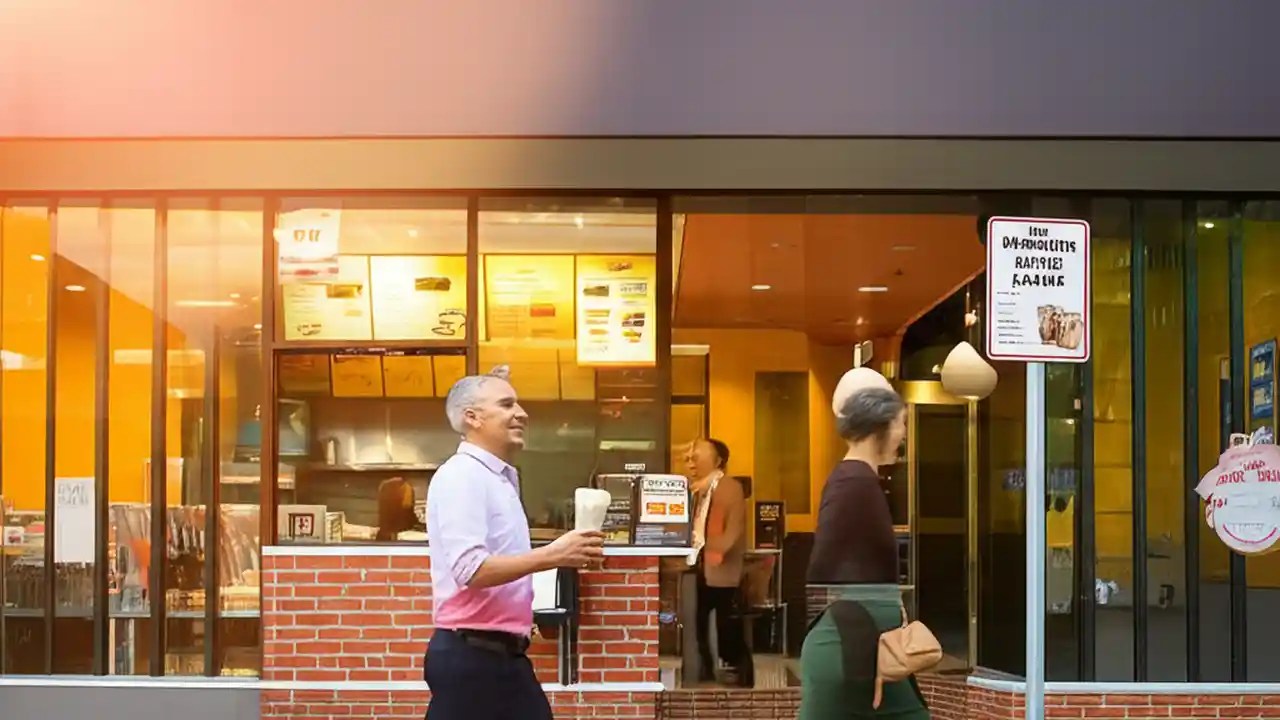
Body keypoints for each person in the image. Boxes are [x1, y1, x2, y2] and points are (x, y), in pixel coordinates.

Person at [425, 366, 605, 720]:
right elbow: (470, 569)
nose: (521, 413)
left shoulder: (500, 478)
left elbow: (499, 564)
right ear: (472, 417)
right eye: (506, 404)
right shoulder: (462, 476)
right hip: (474, 659)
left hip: (497, 655)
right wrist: (555, 554)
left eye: (517, 404)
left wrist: (520, 618)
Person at [801, 380, 929, 719]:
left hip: (867, 645)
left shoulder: (857, 480)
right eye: (901, 423)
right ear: (881, 425)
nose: (903, 433)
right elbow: (822, 566)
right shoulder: (854, 483)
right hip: (850, 647)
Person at [686, 438, 751, 686]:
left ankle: (739, 671)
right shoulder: (697, 490)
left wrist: (710, 547)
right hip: (700, 567)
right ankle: (705, 668)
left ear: (718, 461)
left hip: (722, 569)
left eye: (698, 457)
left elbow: (731, 533)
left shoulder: (730, 488)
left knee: (728, 625)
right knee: (698, 621)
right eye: (690, 458)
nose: (692, 463)